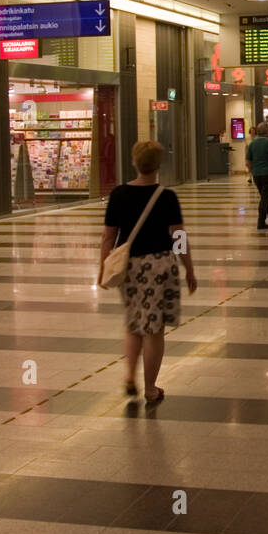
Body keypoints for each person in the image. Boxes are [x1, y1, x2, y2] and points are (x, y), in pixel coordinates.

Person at [99, 140, 197, 404]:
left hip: (129, 267)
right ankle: (150, 389)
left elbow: (108, 238)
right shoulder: (166, 196)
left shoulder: (118, 194)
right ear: (158, 165)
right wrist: (188, 268)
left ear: (134, 162)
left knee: (134, 323)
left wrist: (102, 268)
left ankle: (130, 375)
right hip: (160, 266)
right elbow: (178, 236)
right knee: (155, 330)